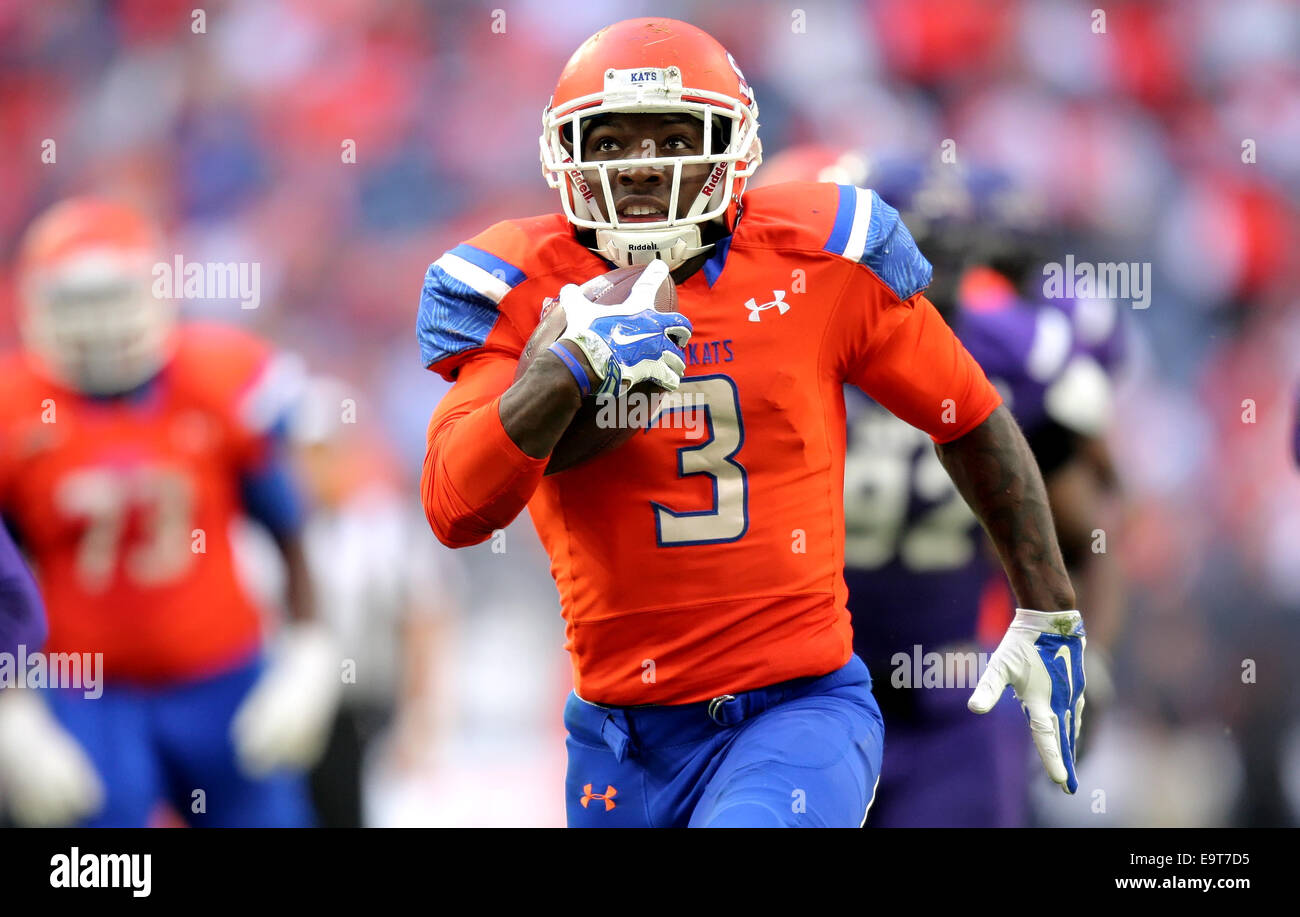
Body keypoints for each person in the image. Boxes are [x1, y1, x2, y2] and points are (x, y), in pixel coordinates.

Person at [417, 17, 1086, 828]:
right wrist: (568, 368)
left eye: (673, 137)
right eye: (613, 140)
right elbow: (456, 506)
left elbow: (968, 414)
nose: (642, 167)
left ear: (732, 148)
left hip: (795, 708)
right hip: (619, 734)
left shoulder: (820, 260)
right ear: (566, 152)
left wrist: (1047, 605)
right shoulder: (521, 286)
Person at [761, 153, 1124, 826]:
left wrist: (1085, 654)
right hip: (799, 695)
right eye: (917, 250)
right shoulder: (794, 344)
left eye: (952, 255)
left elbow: (1090, 533)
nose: (931, 279)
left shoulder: (1015, 358)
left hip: (952, 699)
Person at [0, 197, 340, 827]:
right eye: (77, 304)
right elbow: (3, 584)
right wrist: (10, 707)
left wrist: (310, 651)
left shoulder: (216, 377)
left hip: (223, 672)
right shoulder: (14, 408)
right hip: (87, 689)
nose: (99, 326)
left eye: (113, 299)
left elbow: (288, 526)